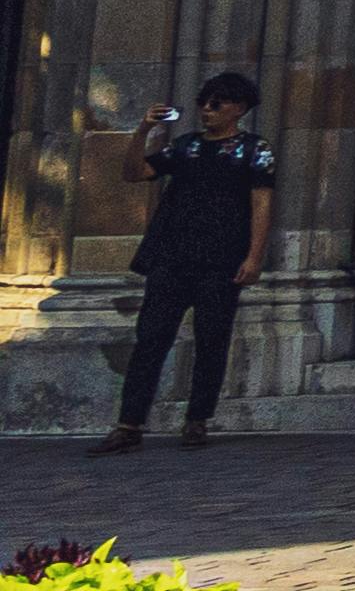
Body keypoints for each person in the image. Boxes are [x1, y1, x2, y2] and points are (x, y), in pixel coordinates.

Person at [109, 69, 272, 449]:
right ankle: (129, 425)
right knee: (150, 340)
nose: (207, 110)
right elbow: (134, 173)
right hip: (172, 256)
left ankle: (197, 419)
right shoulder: (186, 147)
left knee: (212, 341)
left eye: (217, 103)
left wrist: (254, 257)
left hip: (222, 259)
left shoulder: (254, 150)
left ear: (239, 108)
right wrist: (142, 130)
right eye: (203, 102)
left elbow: (262, 203)